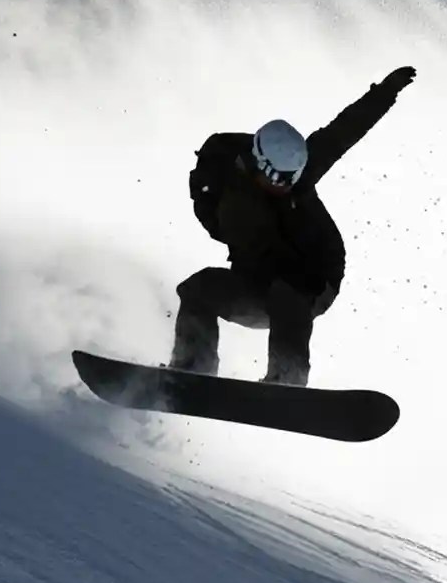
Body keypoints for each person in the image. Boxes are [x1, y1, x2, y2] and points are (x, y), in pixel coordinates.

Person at [169, 65, 418, 386]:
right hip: (257, 281)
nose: (284, 185)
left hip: (313, 279)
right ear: (257, 161)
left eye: (291, 178)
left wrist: (386, 91)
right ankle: (192, 369)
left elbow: (343, 132)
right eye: (277, 178)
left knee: (288, 290)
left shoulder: (296, 177)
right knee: (199, 288)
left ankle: (287, 377)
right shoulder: (221, 184)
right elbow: (216, 221)